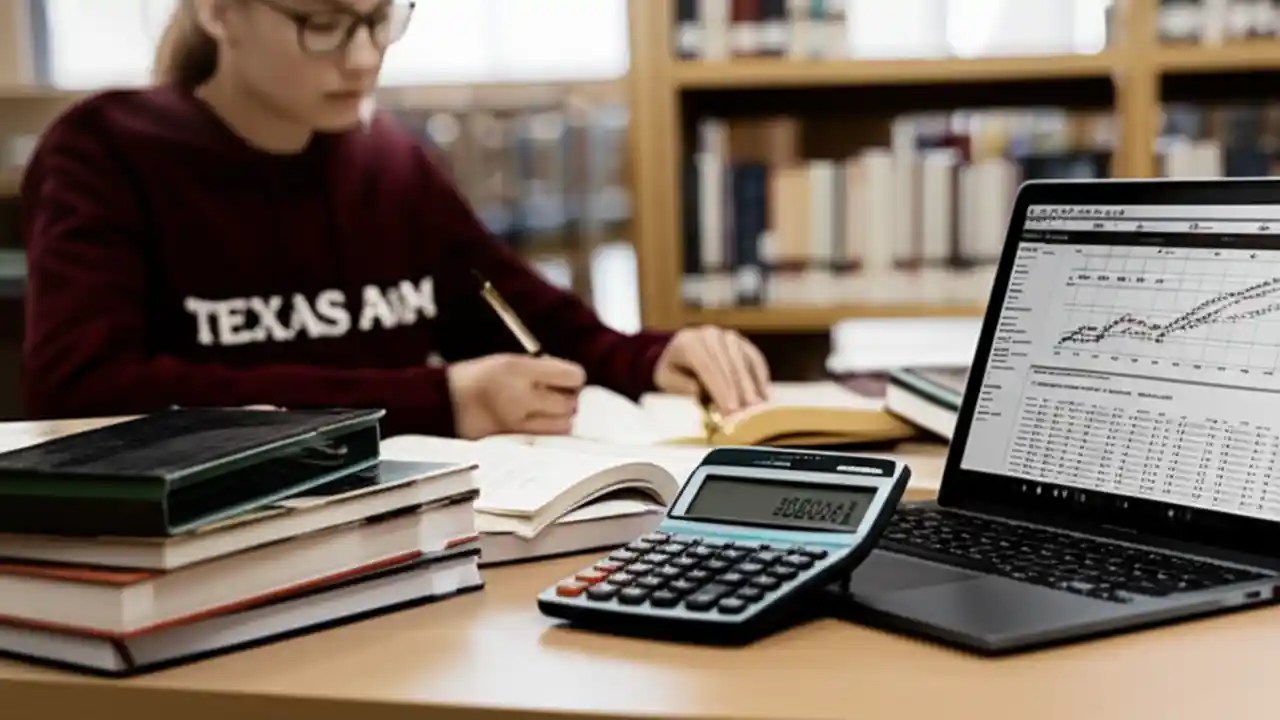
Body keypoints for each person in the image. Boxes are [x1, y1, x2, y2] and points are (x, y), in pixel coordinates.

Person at [19, 0, 771, 438]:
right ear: (219, 12)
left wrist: (652, 359)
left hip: (404, 548)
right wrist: (438, 400)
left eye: (381, 18)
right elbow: (82, 389)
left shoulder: (391, 164)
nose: (362, 58)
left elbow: (534, 328)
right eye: (323, 23)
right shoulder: (108, 152)